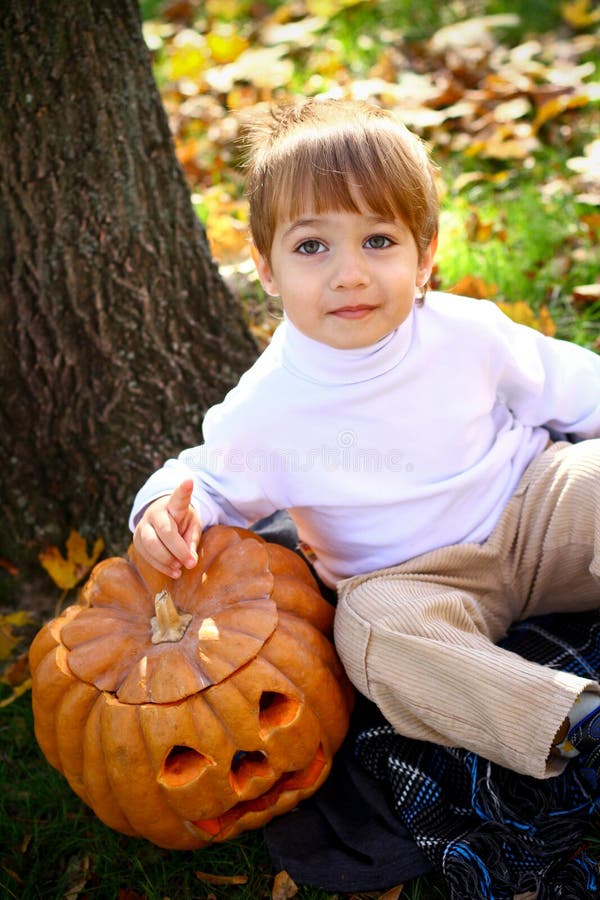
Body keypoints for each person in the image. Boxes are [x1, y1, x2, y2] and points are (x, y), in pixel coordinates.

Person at [130, 98, 600, 781]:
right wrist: (161, 515)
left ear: (425, 255)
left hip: (530, 511)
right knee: (369, 635)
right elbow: (204, 479)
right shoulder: (271, 405)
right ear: (267, 269)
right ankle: (564, 719)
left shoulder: (467, 333)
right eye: (312, 246)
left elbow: (575, 386)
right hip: (413, 582)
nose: (349, 274)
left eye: (378, 241)